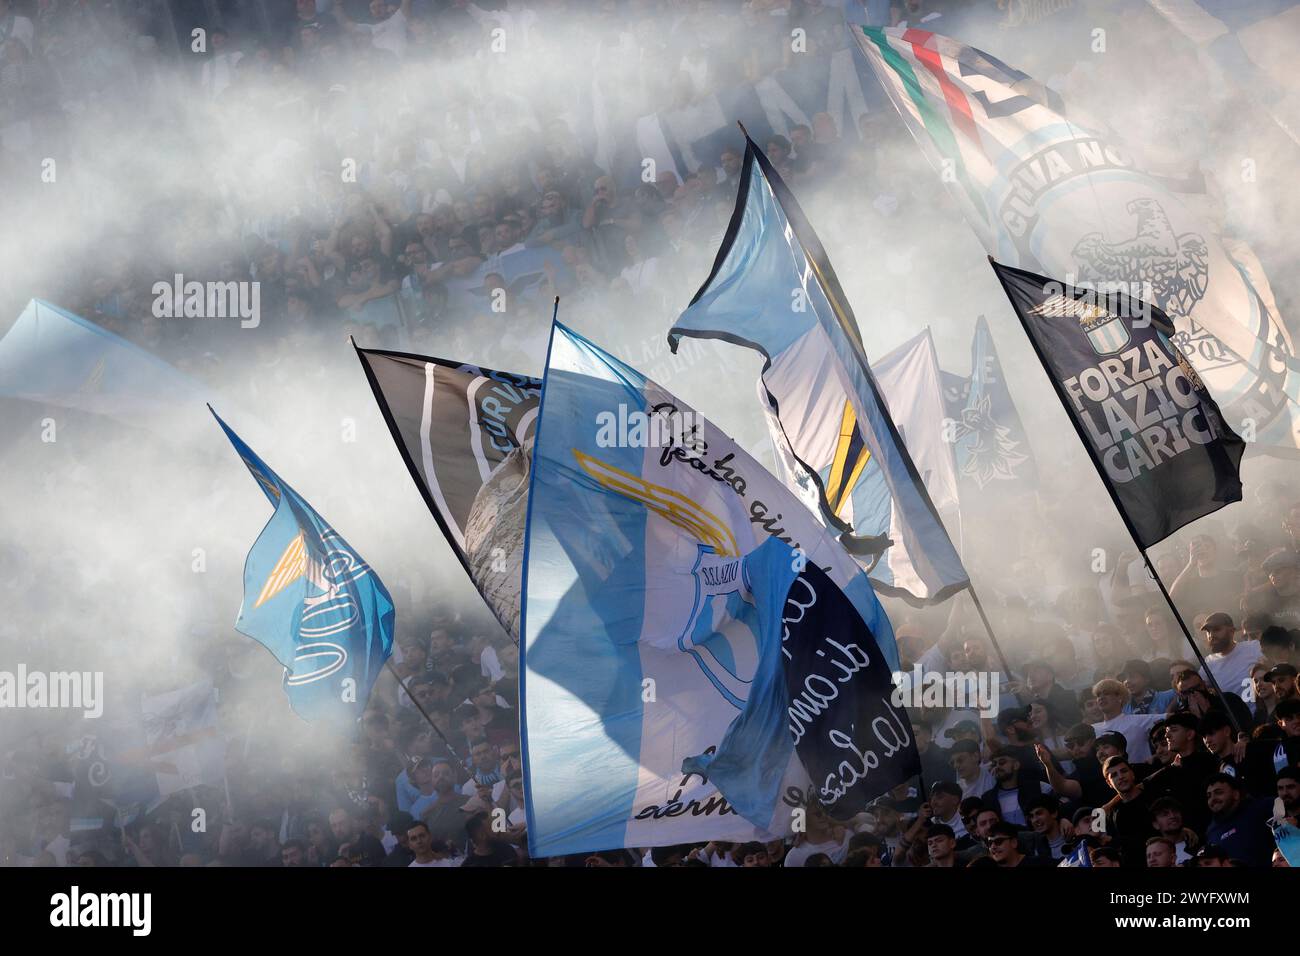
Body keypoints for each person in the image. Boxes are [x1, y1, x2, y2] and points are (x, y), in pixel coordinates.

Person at [1204, 773, 1276, 867]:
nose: (1213, 799)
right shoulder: (1211, 830)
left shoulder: (1261, 808)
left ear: (1236, 794)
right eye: (1209, 796)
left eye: (1219, 792)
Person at [1091, 679, 1164, 763]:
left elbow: (1173, 719)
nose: (1101, 698)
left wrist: (1157, 756)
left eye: (1106, 693)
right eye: (1098, 695)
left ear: (1120, 697)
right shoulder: (1092, 729)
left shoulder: (1139, 721)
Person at [1102, 756, 1157, 867]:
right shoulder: (1111, 812)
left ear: (1132, 773)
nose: (1121, 777)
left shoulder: (1152, 798)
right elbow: (1094, 831)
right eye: (1114, 775)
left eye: (1124, 771)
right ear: (1109, 783)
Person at [980, 747, 1055, 828]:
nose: (997, 767)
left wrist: (1063, 821)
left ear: (1016, 765)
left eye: (1002, 762)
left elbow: (1056, 810)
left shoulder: (1038, 787)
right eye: (994, 764)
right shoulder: (988, 798)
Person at [1200, 613, 1264, 702]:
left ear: (1232, 631)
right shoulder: (1208, 663)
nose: (1211, 635)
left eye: (1216, 629)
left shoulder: (1254, 647)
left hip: (1260, 713)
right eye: (1208, 631)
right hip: (1233, 715)